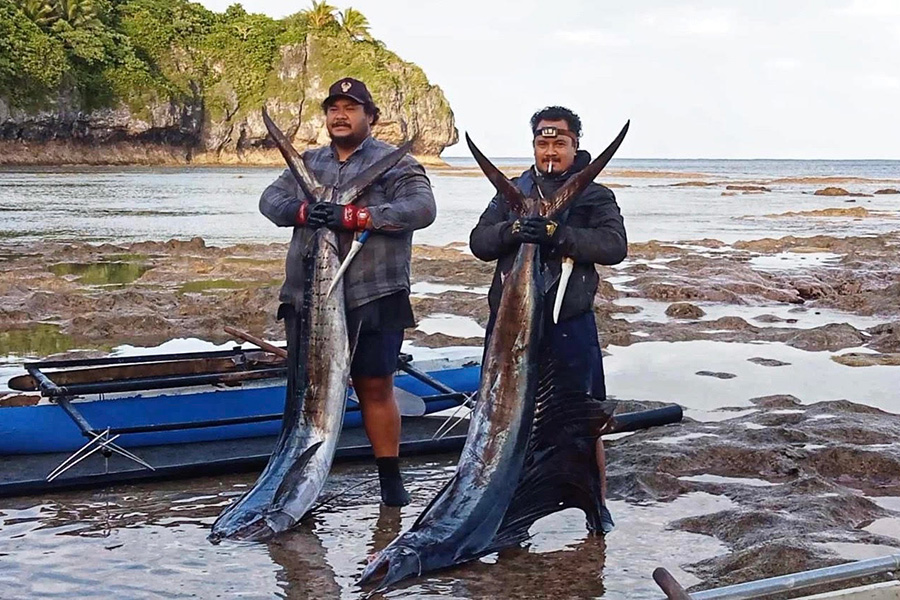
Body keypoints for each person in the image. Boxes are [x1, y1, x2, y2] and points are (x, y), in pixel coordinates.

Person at [259, 77, 436, 506]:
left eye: (351, 108)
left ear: (370, 117)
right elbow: (269, 200)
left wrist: (358, 215)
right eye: (333, 108)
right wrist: (302, 210)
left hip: (375, 291)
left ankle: (391, 482)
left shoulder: (397, 164)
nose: (340, 115)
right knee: (305, 390)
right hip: (309, 295)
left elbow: (422, 209)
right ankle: (301, 476)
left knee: (375, 386)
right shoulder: (308, 163)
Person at [469, 105, 627, 533]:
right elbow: (480, 242)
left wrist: (560, 235)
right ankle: (508, 508)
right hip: (510, 329)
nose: (551, 150)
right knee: (504, 417)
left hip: (568, 324)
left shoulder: (595, 195)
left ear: (576, 144)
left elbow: (614, 246)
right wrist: (514, 230)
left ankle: (596, 506)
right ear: (534, 145)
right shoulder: (511, 193)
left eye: (560, 142)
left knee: (584, 416)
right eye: (543, 142)